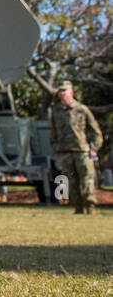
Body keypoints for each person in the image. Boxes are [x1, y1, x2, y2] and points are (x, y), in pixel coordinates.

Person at [48, 81, 102, 215]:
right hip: (65, 151)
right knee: (70, 181)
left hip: (82, 151)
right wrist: (56, 148)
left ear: (71, 92)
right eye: (60, 91)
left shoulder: (82, 109)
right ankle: (77, 208)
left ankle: (90, 207)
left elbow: (96, 131)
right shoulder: (56, 111)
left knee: (87, 180)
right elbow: (53, 133)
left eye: (64, 91)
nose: (62, 93)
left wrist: (94, 148)